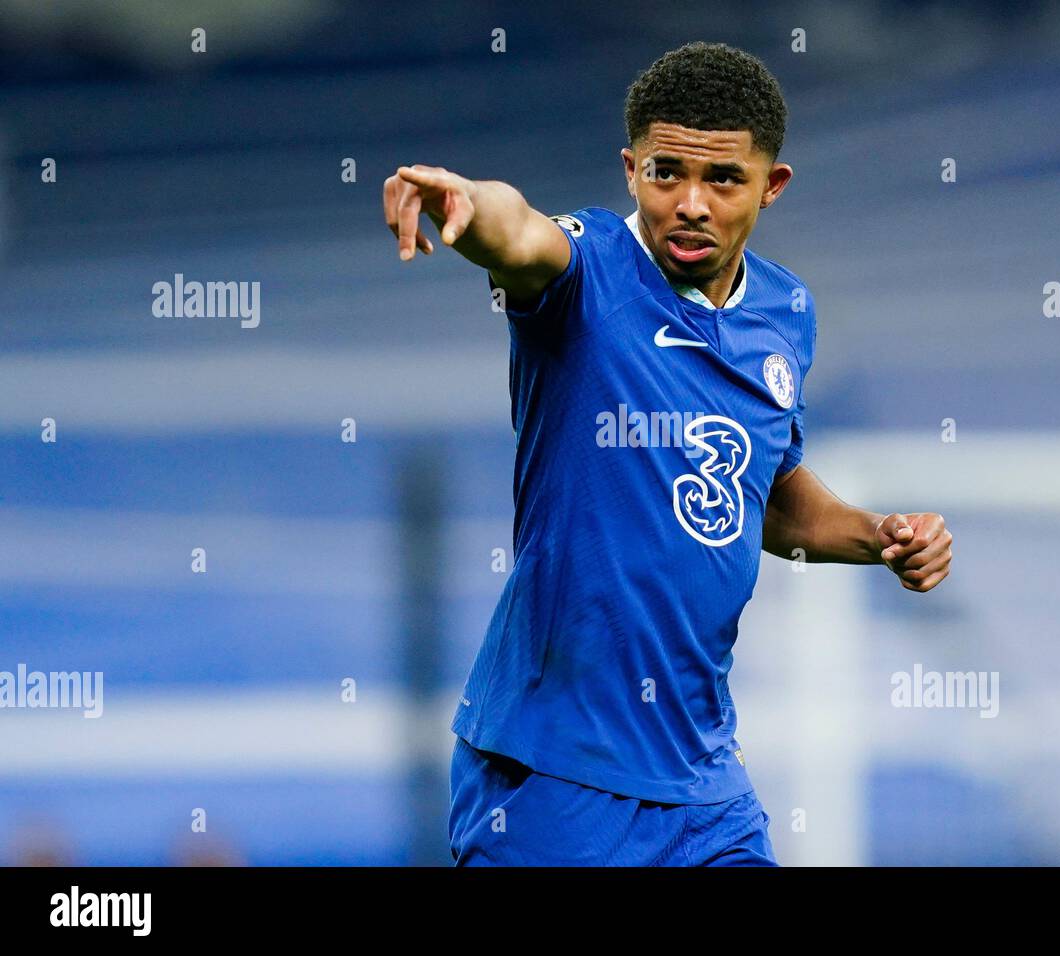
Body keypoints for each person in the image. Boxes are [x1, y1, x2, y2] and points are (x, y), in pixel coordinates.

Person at [382, 41, 953, 866]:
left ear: (771, 185)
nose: (690, 202)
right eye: (664, 172)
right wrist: (468, 203)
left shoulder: (787, 314)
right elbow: (524, 236)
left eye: (722, 179)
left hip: (703, 784)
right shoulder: (594, 276)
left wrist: (879, 537)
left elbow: (767, 488)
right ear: (629, 170)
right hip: (556, 773)